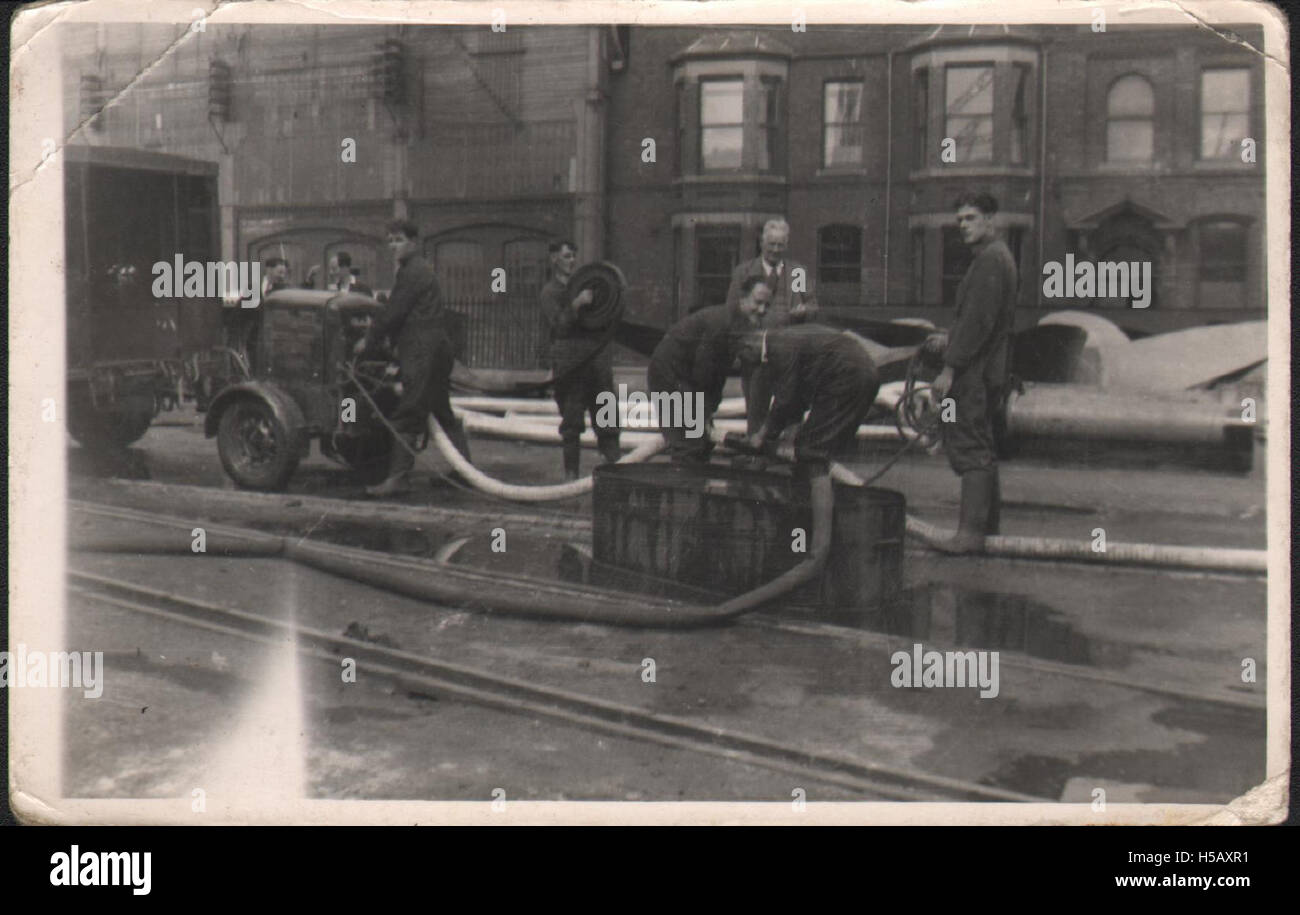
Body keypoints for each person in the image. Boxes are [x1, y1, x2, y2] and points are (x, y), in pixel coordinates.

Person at [926, 191, 1019, 554]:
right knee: (982, 445)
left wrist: (949, 367)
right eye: (960, 219)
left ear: (991, 221)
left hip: (975, 373)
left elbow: (979, 322)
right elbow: (984, 320)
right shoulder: (996, 258)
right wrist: (950, 336)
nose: (963, 225)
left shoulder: (990, 261)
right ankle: (986, 529)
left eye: (971, 218)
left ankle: (970, 535)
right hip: (988, 368)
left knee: (969, 444)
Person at [353, 219, 472, 496]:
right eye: (390, 240)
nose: (394, 245)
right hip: (435, 351)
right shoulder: (416, 269)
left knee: (407, 412)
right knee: (442, 412)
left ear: (414, 242)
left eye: (399, 239)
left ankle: (398, 479)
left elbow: (394, 312)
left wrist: (368, 340)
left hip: (422, 353)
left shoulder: (413, 272)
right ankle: (464, 470)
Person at [646, 276, 771, 462]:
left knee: (702, 441)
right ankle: (684, 489)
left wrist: (709, 408)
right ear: (743, 298)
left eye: (767, 305)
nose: (762, 310)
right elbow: (703, 372)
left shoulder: (741, 322)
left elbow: (719, 372)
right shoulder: (721, 322)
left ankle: (695, 487)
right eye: (758, 302)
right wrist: (703, 410)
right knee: (689, 444)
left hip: (687, 379)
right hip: (670, 378)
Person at [738, 323, 881, 472]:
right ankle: (826, 489)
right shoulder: (787, 336)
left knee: (810, 451)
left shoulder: (779, 346)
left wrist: (761, 435)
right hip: (864, 375)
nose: (748, 365)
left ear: (748, 345)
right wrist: (789, 431)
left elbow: (785, 399)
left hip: (848, 378)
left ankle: (819, 493)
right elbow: (797, 396)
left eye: (744, 359)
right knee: (821, 450)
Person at [724, 218, 820, 433]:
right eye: (771, 244)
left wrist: (805, 310)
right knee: (756, 411)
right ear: (762, 243)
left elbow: (813, 305)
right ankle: (755, 457)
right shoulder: (744, 272)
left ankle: (787, 454)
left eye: (780, 245)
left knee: (790, 410)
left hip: (790, 354)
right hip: (757, 355)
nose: (776, 250)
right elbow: (732, 310)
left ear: (787, 245)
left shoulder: (796, 273)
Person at [539, 239, 620, 480]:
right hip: (571, 366)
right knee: (572, 425)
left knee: (608, 421)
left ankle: (615, 476)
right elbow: (559, 327)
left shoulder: (586, 285)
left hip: (597, 363)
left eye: (574, 255)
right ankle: (571, 479)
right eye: (566, 256)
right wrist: (576, 304)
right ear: (554, 259)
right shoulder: (550, 293)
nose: (572, 260)